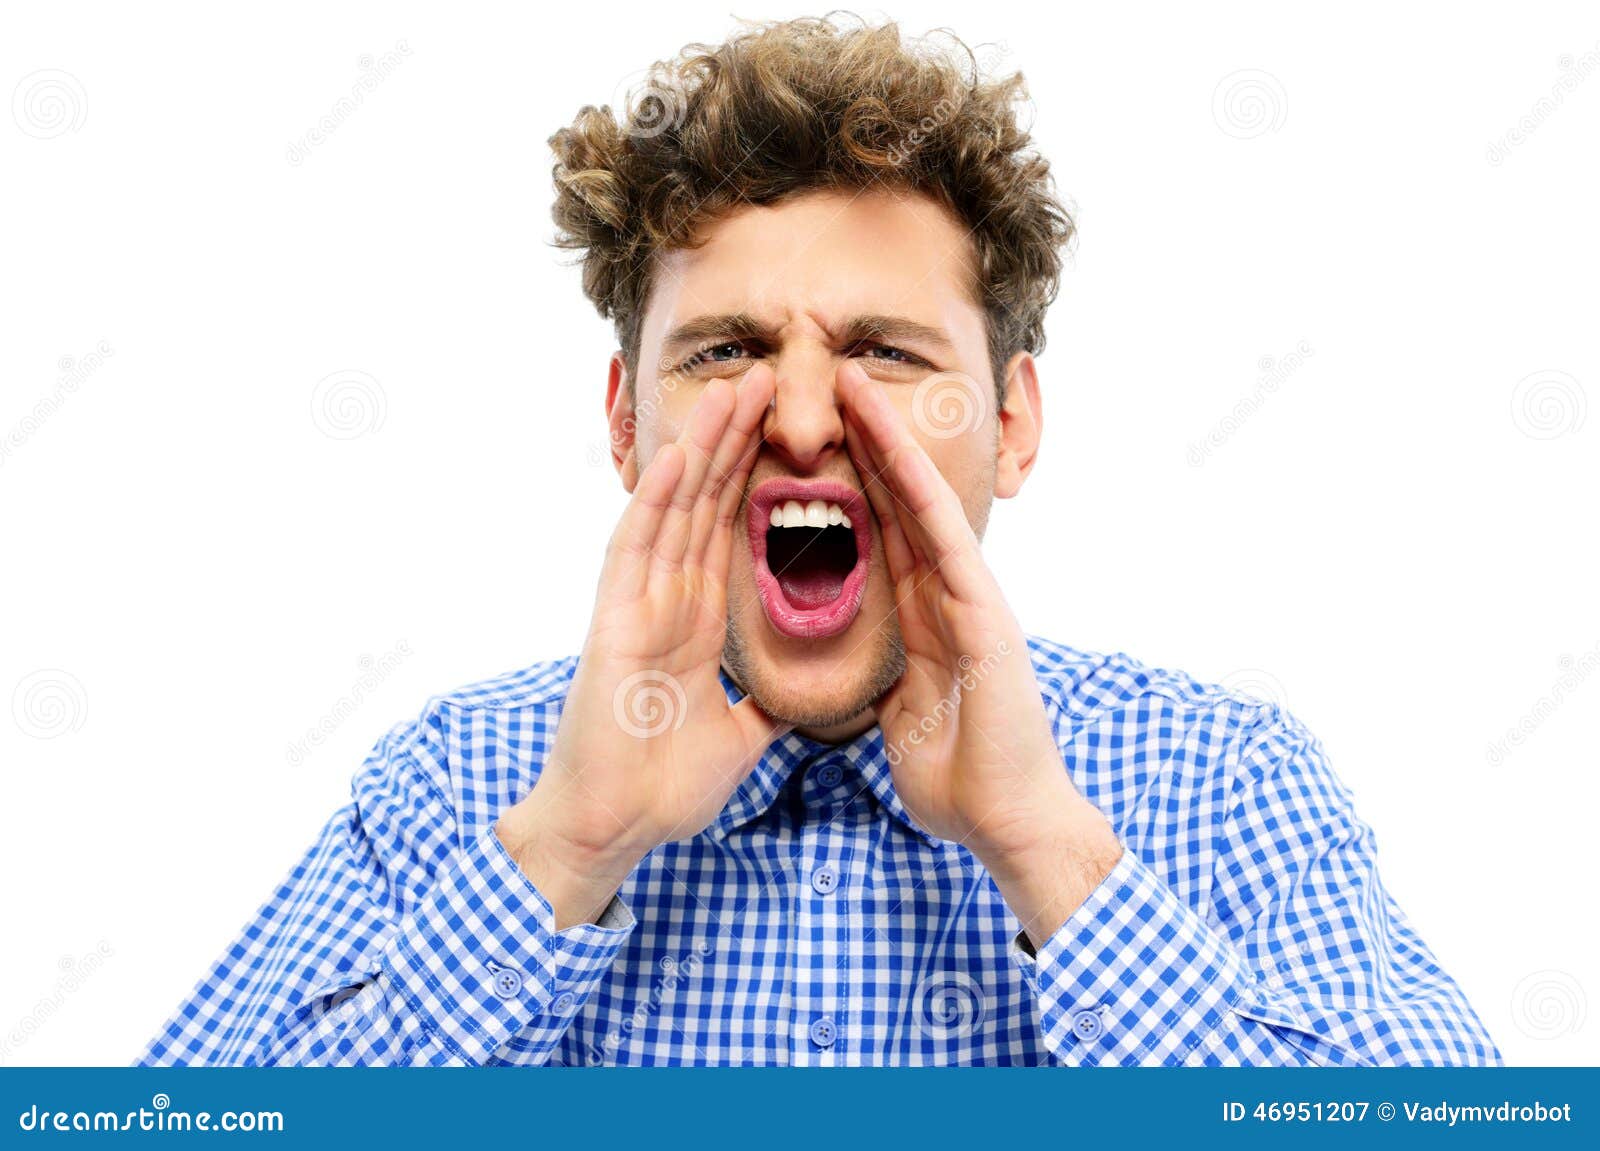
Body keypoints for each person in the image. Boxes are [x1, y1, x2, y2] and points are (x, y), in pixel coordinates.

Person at [140, 15, 1500, 1066]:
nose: (799, 419)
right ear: (626, 423)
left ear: (1013, 424)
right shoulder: (458, 785)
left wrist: (1050, 856)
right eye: (724, 350)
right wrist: (561, 854)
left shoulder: (1220, 780)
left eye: (884, 353)